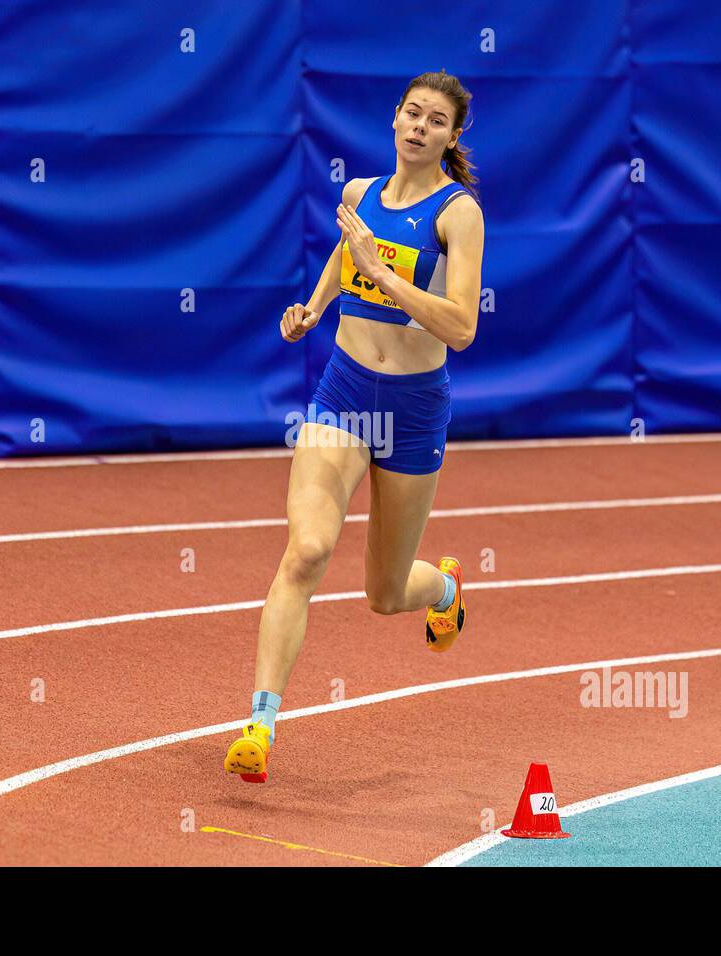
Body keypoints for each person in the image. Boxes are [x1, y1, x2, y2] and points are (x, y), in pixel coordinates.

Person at [224, 69, 486, 782]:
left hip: (413, 410)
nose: (418, 128)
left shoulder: (457, 214)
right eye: (410, 114)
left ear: (452, 136)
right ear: (393, 118)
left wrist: (387, 274)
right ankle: (260, 724)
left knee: (383, 593)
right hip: (343, 394)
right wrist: (313, 306)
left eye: (435, 121)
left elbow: (460, 327)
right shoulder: (358, 195)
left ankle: (444, 592)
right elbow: (346, 257)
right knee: (306, 550)